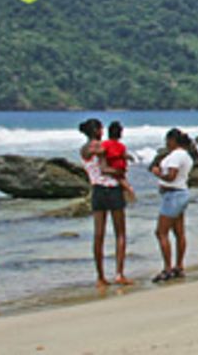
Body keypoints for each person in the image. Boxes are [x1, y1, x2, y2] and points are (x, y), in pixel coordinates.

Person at [79, 118, 131, 286]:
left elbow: (94, 165)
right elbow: (106, 168)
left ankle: (100, 277)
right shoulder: (102, 147)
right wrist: (121, 171)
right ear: (97, 130)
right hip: (112, 189)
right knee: (120, 233)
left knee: (98, 235)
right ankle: (119, 274)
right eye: (101, 129)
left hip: (97, 191)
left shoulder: (84, 149)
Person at [150, 128, 195, 283]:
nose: (166, 144)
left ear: (173, 141)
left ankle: (168, 268)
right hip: (181, 193)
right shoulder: (185, 155)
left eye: (167, 141)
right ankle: (179, 266)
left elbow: (171, 176)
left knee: (161, 232)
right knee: (179, 232)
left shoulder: (176, 155)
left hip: (173, 195)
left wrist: (157, 173)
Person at [102, 120, 138, 204]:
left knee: (125, 188)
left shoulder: (112, 144)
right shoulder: (108, 145)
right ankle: (133, 203)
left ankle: (131, 203)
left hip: (119, 171)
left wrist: (128, 157)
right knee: (128, 188)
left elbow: (123, 155)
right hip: (115, 171)